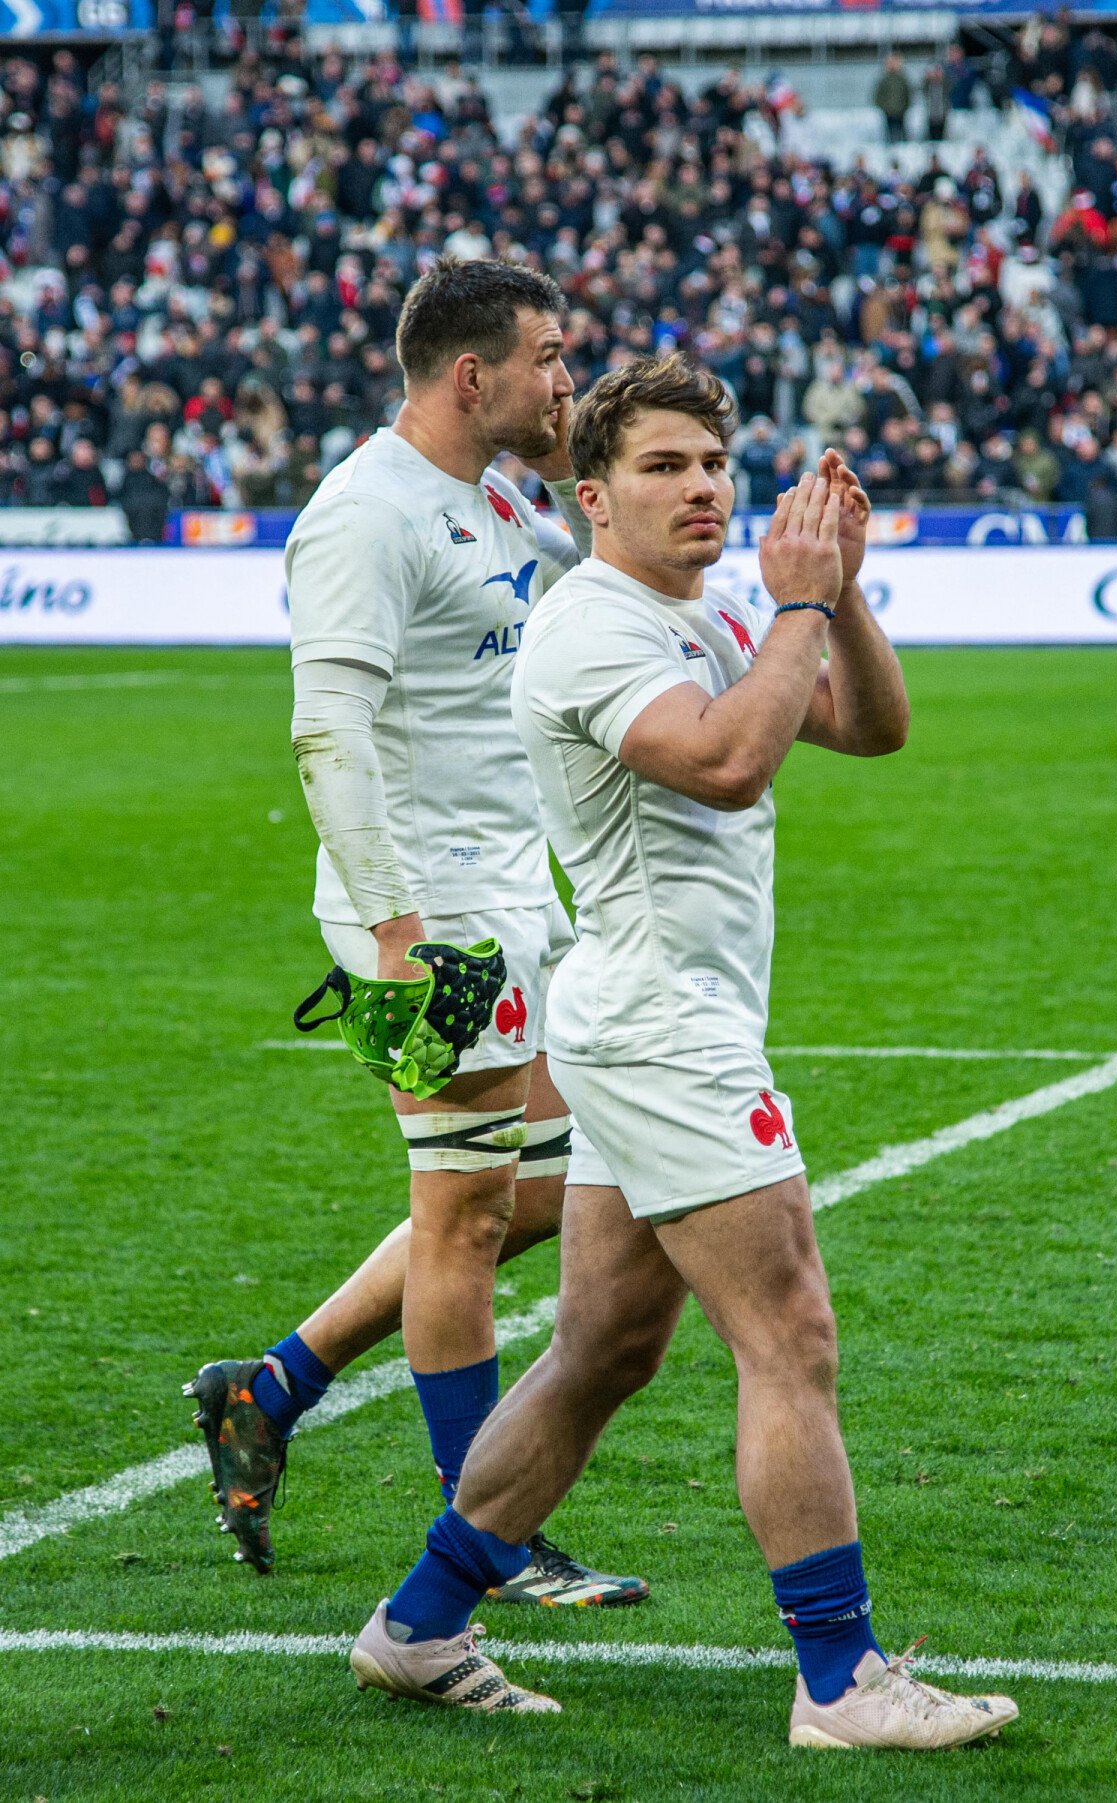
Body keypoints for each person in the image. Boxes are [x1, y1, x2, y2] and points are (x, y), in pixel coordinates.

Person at [348, 356, 1020, 1750]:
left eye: (714, 463)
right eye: (664, 467)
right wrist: (798, 606)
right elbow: (726, 760)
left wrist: (840, 582)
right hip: (665, 1035)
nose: (702, 486)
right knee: (792, 1337)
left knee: (600, 1349)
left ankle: (415, 1628)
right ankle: (838, 1681)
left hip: (650, 1022)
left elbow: (869, 726)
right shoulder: (592, 625)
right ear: (592, 496)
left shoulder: (713, 606)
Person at [184, 259, 648, 1610]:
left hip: (518, 894)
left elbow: (592, 591)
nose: (567, 378)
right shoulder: (363, 515)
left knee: (548, 1191)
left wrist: (568, 471)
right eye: (549, 357)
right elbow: (328, 728)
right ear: (470, 375)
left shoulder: (492, 492)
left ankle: (269, 1387)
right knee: (464, 1216)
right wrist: (394, 933)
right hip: (432, 914)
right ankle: (485, 1534)